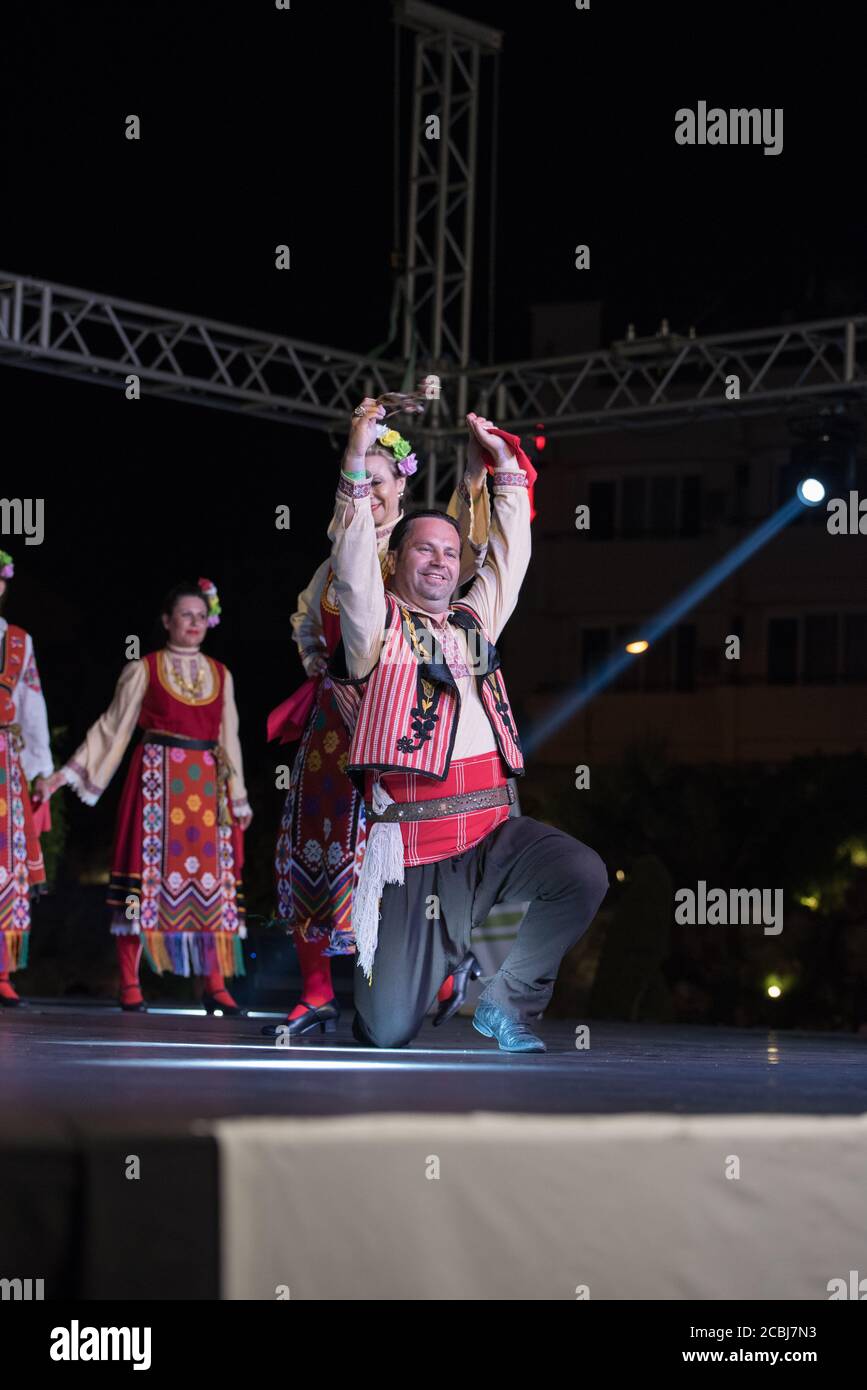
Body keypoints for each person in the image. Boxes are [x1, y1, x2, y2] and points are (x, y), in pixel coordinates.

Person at [327, 400, 609, 1051]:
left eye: (450, 552)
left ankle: (502, 1002)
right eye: (422, 549)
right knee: (385, 1032)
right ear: (394, 561)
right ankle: (444, 970)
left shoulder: (470, 625)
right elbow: (349, 560)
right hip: (414, 853)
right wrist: (354, 458)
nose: (439, 561)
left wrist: (508, 468)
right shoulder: (377, 630)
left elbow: (509, 557)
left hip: (490, 835)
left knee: (578, 872)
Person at [266, 393, 489, 1036]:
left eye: (381, 483)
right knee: (318, 847)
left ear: (403, 486)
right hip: (335, 730)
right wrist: (316, 665)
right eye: (363, 483)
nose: (371, 493)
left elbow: (462, 548)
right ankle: (316, 991)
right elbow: (308, 622)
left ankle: (425, 975)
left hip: (399, 731)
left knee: (395, 858)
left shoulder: (413, 555)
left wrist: (475, 477)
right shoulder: (338, 557)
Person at [47, 579, 252, 1014]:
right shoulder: (145, 668)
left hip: (206, 787)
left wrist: (238, 799)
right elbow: (112, 727)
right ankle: (128, 982)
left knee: (211, 884)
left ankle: (214, 983)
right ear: (167, 621)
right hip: (158, 785)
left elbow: (228, 739)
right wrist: (65, 775)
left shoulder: (221, 674)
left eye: (201, 616)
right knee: (142, 880)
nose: (194, 623)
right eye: (185, 616)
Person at [0, 549, 56, 1006]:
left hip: (3, 763)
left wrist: (40, 770)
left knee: (5, 867)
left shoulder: (17, 641)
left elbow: (31, 704)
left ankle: (0, 969)